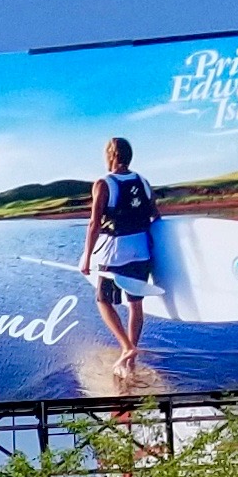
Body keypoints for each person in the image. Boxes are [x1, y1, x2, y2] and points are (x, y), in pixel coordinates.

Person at [80, 138, 158, 367]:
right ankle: (130, 361)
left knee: (103, 300)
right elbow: (155, 215)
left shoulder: (104, 183)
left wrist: (87, 256)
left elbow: (94, 223)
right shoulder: (142, 181)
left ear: (111, 155)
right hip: (141, 251)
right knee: (135, 304)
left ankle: (127, 347)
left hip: (114, 253)